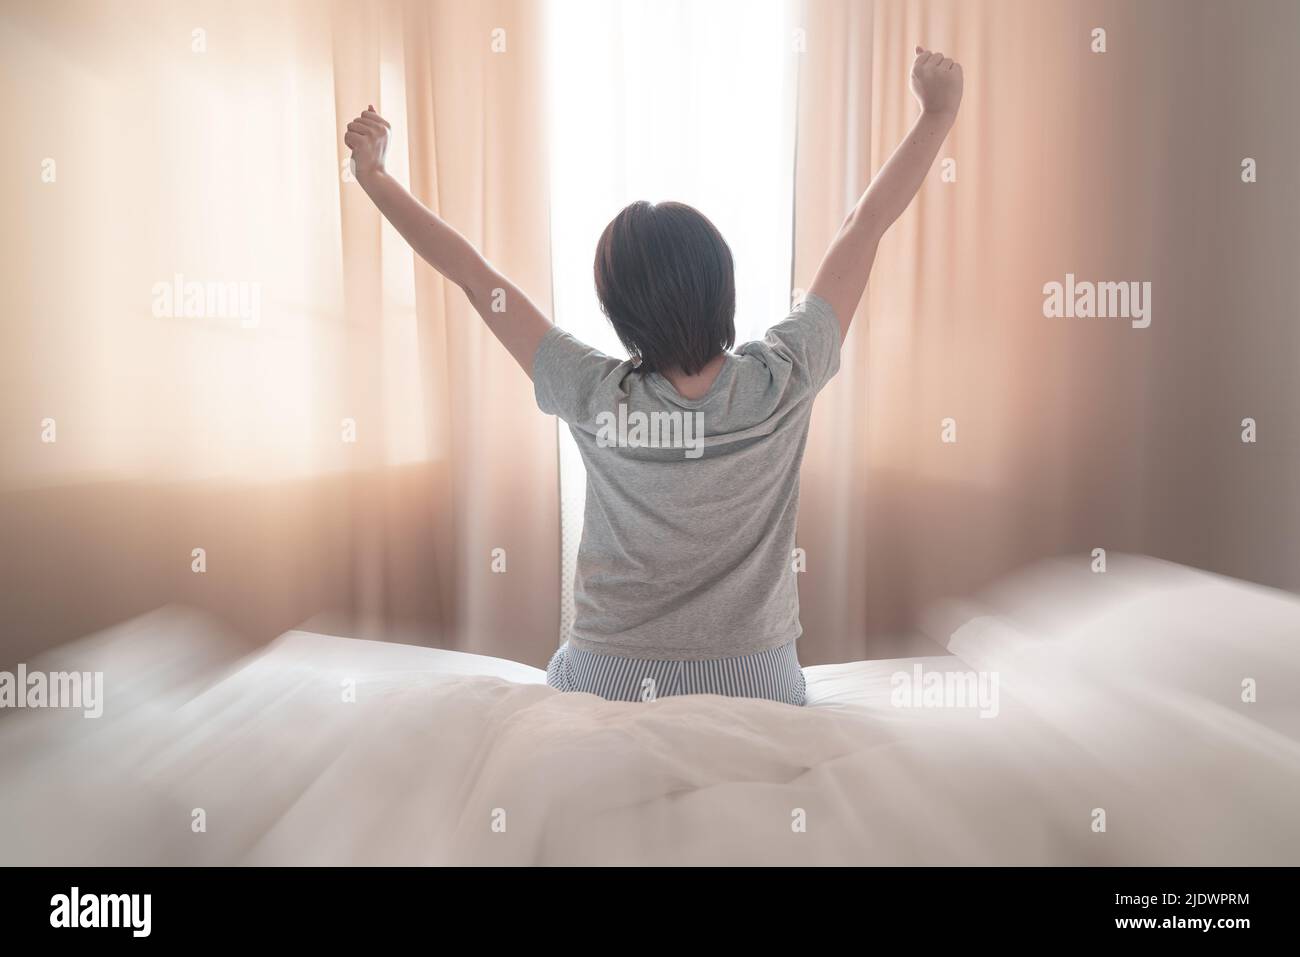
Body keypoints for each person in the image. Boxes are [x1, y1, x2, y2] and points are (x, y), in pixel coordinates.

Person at [344, 46, 963, 705]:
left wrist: (375, 177)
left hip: (610, 674)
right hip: (757, 677)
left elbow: (476, 278)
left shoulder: (591, 390)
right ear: (723, 286)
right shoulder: (783, 375)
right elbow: (863, 226)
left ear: (616, 310)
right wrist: (937, 113)